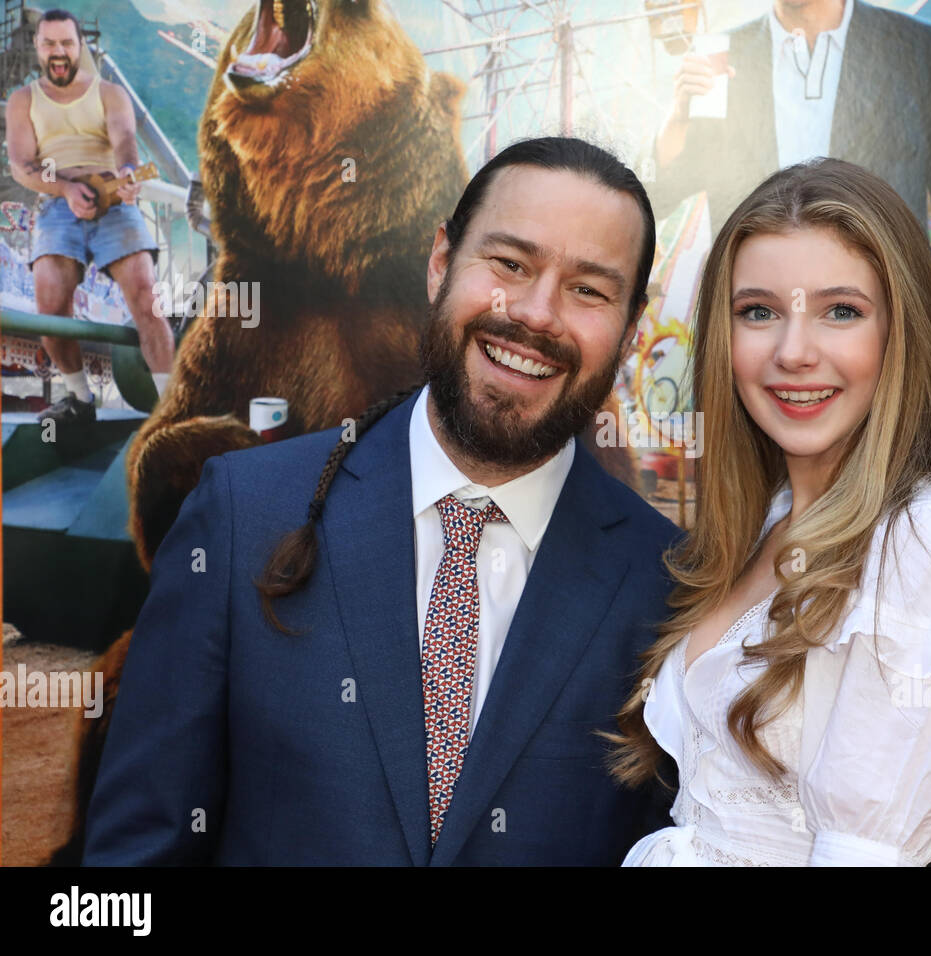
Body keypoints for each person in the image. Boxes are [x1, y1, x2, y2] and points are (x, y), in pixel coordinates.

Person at [82, 137, 679, 865]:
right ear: (440, 263)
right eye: (510, 264)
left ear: (630, 326)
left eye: (589, 289)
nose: (536, 313)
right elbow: (132, 863)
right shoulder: (243, 516)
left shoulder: (666, 584)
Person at [608, 158, 931, 866]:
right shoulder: (762, 524)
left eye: (841, 311)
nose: (793, 352)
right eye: (759, 312)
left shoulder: (930, 536)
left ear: (899, 333)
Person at [643, 0, 931, 396]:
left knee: (887, 455)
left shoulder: (916, 48)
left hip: (880, 330)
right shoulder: (722, 55)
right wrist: (678, 121)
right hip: (758, 333)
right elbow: (659, 196)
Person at [5, 8, 173, 424]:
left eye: (66, 43)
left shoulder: (110, 93)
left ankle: (172, 406)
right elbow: (23, 164)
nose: (58, 52)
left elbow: (125, 141)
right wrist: (64, 186)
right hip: (56, 204)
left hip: (114, 201)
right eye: (49, 44)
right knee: (49, 302)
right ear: (38, 48)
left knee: (146, 299)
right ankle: (80, 399)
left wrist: (129, 173)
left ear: (80, 46)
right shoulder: (22, 101)